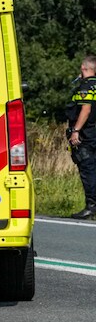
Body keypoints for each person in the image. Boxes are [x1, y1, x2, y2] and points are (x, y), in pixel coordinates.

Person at [67, 56, 96, 219]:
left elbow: (85, 109)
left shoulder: (86, 86)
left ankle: (91, 206)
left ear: (83, 68)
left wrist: (76, 130)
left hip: (86, 134)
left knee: (88, 169)